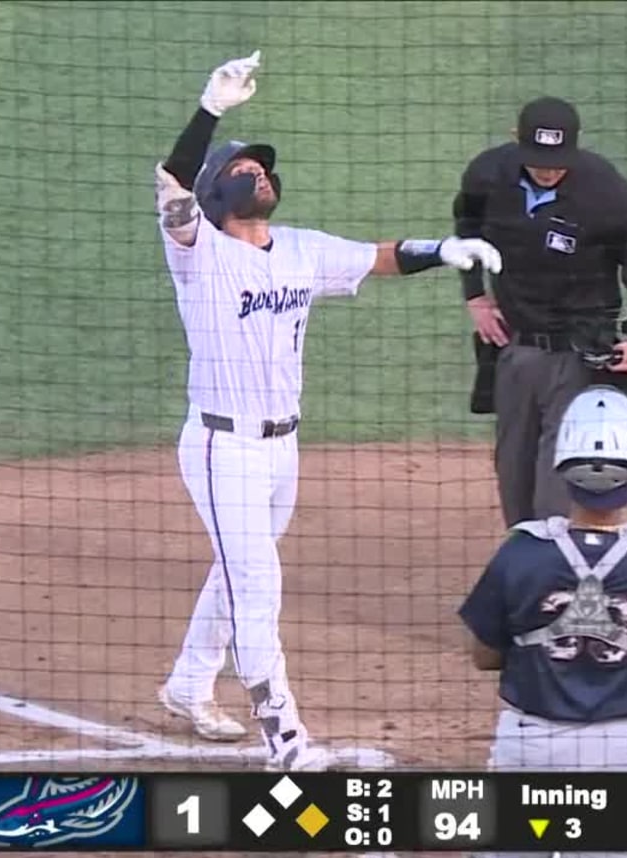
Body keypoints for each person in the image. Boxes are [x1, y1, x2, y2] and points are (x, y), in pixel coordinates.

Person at [152, 50, 503, 771]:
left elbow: (379, 257)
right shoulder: (198, 252)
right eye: (245, 169)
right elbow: (170, 186)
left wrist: (447, 249)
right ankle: (286, 737)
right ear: (217, 194)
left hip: (282, 449)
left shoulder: (302, 250)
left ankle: (190, 682)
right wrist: (211, 108)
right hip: (223, 448)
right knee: (258, 585)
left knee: (239, 567)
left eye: (264, 167)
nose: (261, 173)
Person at [459, 385, 627, 858]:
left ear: (562, 467)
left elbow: (482, 654)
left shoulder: (520, 553)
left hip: (528, 744)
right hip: (623, 749)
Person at [453, 96, 627, 529]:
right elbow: (467, 227)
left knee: (559, 481)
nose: (549, 170)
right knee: (513, 473)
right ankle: (529, 565)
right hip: (514, 351)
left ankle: (559, 578)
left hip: (579, 355)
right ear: (516, 141)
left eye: (557, 160)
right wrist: (475, 295)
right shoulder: (488, 175)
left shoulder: (606, 192)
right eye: (538, 160)